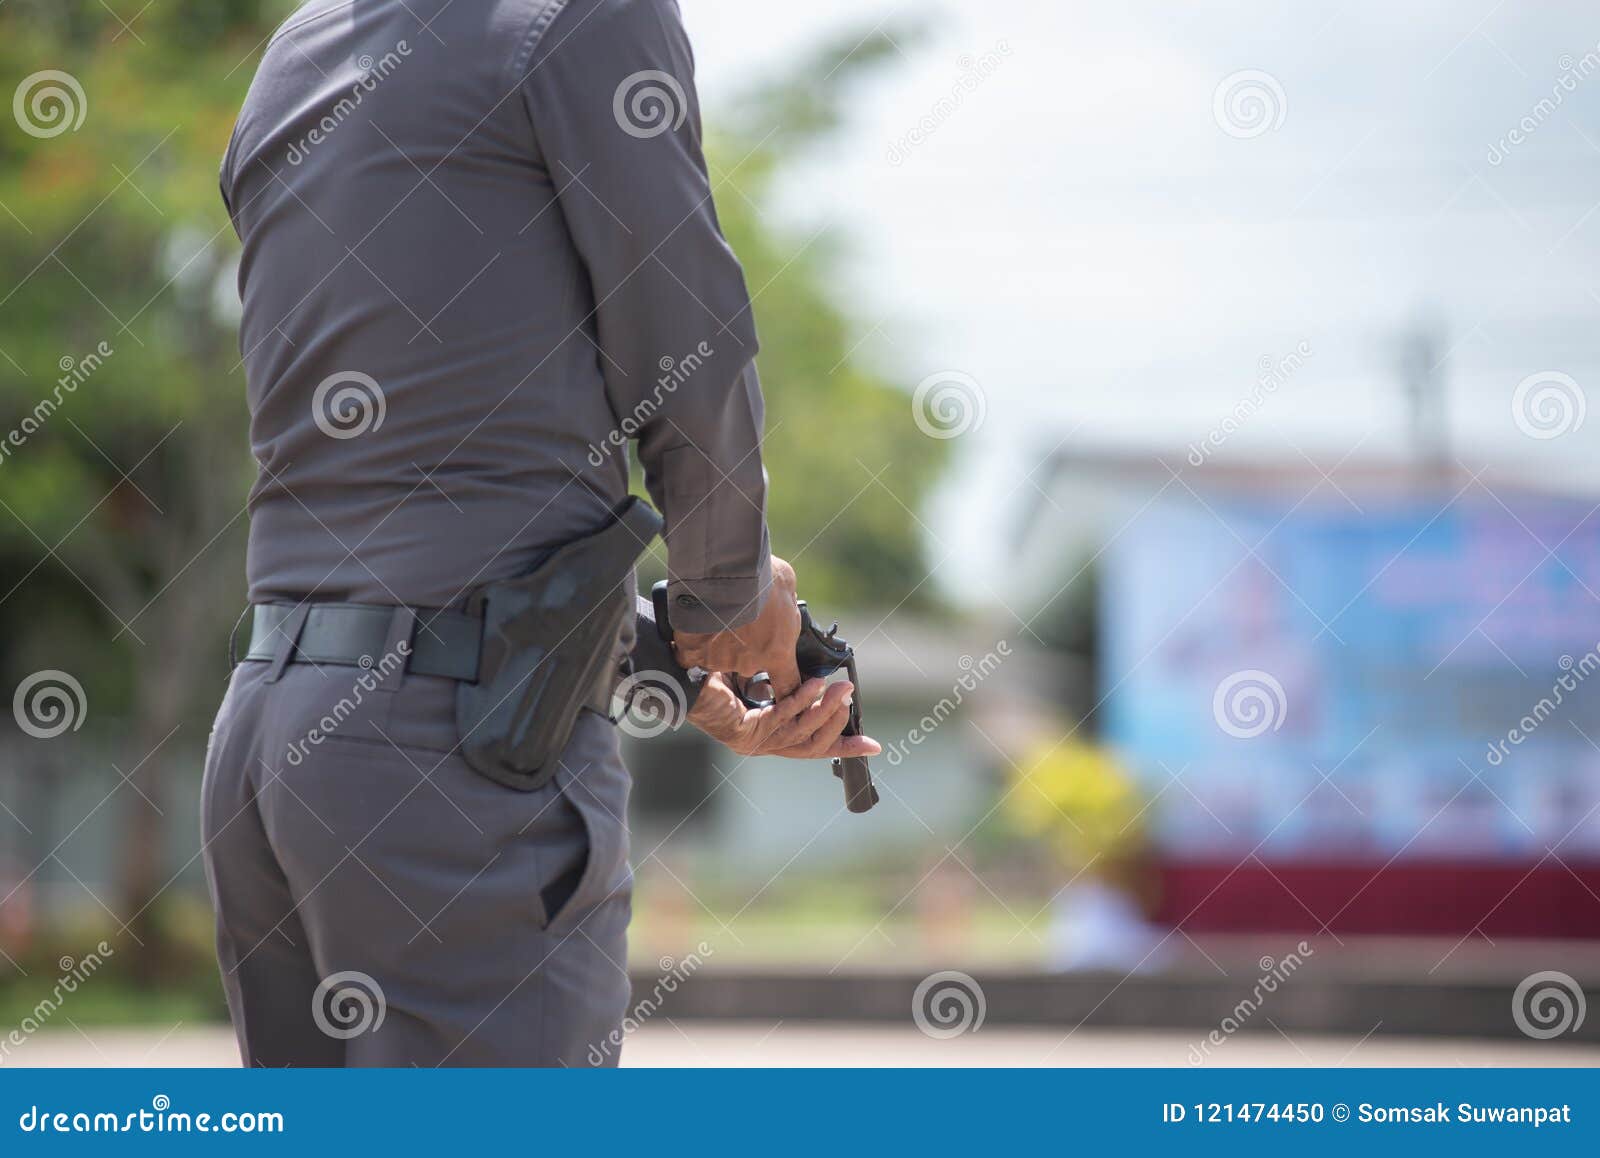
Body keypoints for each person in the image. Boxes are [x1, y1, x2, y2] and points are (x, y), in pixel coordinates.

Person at [203, 0, 879, 1067]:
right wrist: (729, 600)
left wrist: (654, 662)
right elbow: (686, 350)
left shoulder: (301, 51)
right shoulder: (588, 17)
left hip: (271, 741)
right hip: (453, 775)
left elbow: (429, 479)